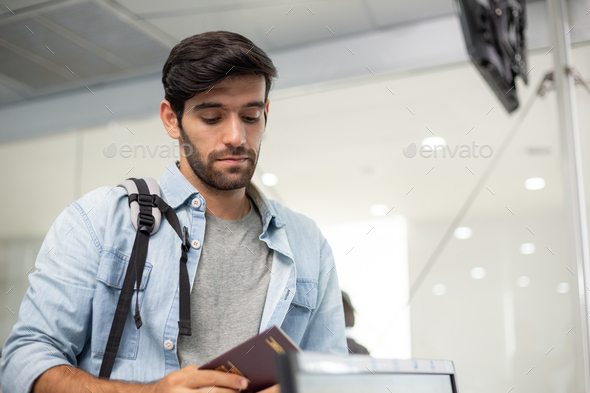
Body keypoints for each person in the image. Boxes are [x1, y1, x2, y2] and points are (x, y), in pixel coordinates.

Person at [0, 31, 348, 393]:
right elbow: (23, 364)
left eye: (250, 116)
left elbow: (334, 376)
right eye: (212, 118)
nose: (236, 137)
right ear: (171, 119)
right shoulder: (98, 221)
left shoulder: (308, 242)